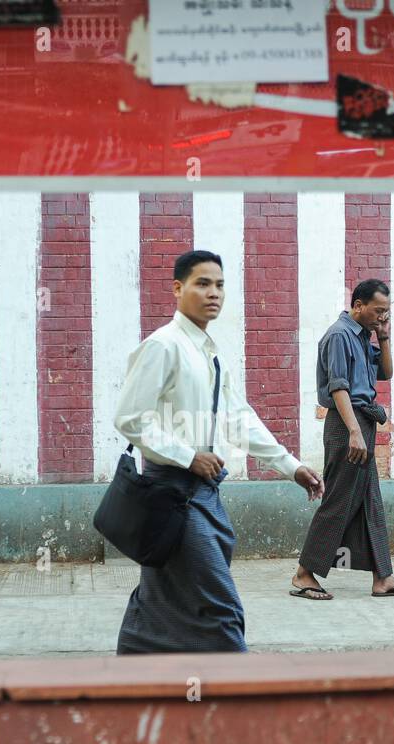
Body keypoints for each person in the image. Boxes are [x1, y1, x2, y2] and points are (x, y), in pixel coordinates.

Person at [113, 250, 325, 653]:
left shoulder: (208, 352)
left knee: (160, 598)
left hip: (203, 493)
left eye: (220, 285)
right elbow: (130, 417)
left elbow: (237, 418)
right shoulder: (163, 346)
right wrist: (187, 455)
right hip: (172, 495)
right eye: (202, 283)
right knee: (221, 606)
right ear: (178, 289)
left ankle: (137, 671)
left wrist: (290, 465)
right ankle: (238, 693)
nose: (214, 293)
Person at [291, 279, 394, 600]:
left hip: (362, 424)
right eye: (378, 311)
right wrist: (353, 433)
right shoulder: (339, 335)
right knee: (338, 500)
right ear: (358, 305)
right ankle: (304, 573)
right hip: (346, 426)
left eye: (386, 313)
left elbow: (386, 373)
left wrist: (384, 336)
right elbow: (338, 388)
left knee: (369, 502)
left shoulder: (363, 336)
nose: (381, 317)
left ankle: (382, 577)